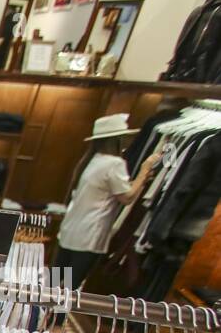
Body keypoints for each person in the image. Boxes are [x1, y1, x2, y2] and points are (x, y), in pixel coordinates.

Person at [55, 113, 161, 289]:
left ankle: (41, 316)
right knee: (69, 288)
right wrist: (144, 169)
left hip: (70, 231)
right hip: (89, 236)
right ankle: (56, 318)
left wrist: (140, 181)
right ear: (117, 140)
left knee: (54, 284)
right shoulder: (114, 163)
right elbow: (126, 197)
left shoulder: (92, 160)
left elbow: (114, 190)